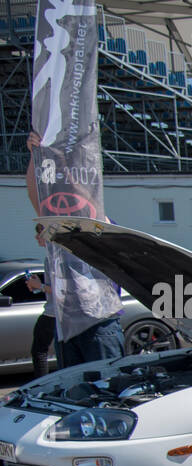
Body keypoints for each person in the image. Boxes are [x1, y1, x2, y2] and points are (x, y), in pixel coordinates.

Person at [25, 131, 125, 368]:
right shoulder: (58, 234)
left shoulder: (99, 227)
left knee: (107, 392)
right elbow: (35, 196)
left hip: (99, 323)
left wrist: (60, 162)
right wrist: (35, 157)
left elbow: (85, 199)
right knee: (74, 396)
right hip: (67, 326)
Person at [25, 223, 56, 379]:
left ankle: (40, 383)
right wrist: (37, 286)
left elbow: (62, 289)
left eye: (39, 234)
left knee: (39, 351)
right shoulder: (50, 257)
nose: (36, 237)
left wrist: (40, 285)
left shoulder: (54, 257)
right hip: (55, 313)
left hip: (55, 314)